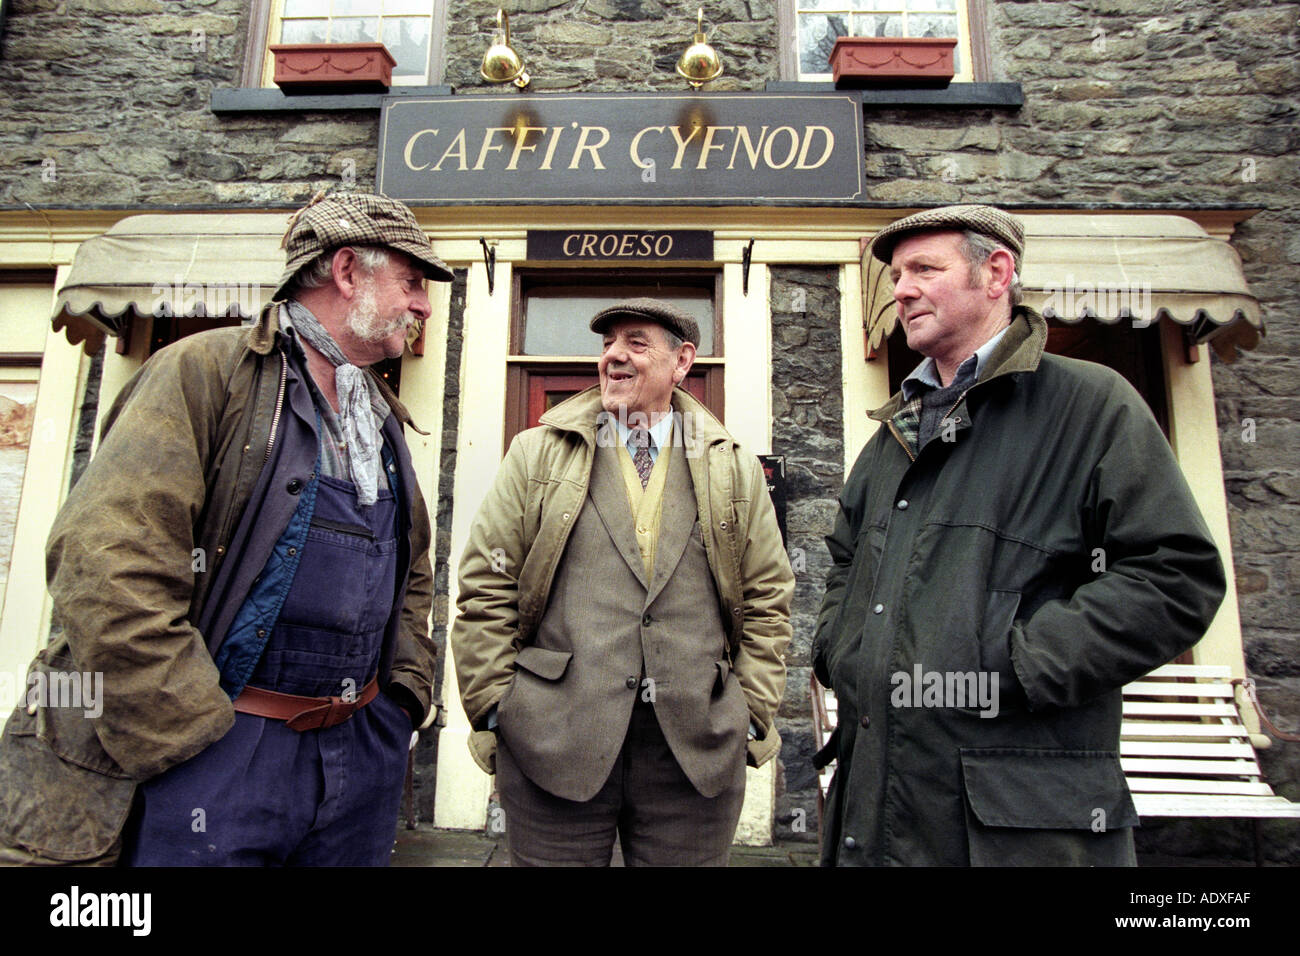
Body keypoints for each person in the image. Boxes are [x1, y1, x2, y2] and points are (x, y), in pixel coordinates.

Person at [0, 191, 451, 866]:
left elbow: (411, 577)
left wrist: (400, 707)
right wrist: (187, 731)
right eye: (413, 283)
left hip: (357, 758)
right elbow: (105, 565)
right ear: (349, 271)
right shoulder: (203, 373)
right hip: (221, 751)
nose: (423, 306)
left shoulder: (380, 413)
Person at [813, 204, 1226, 866]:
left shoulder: (1093, 405)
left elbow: (1175, 578)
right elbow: (844, 561)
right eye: (895, 275)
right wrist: (843, 650)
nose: (902, 289)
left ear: (996, 272)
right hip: (876, 809)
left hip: (1020, 828)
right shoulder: (895, 429)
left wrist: (1020, 662)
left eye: (925, 268)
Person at [451, 297, 793, 866]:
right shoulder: (536, 453)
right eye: (607, 344)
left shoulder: (731, 465)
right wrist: (497, 708)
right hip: (552, 737)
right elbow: (487, 584)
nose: (614, 356)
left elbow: (768, 596)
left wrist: (748, 711)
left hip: (695, 748)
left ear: (682, 361)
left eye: (636, 343)